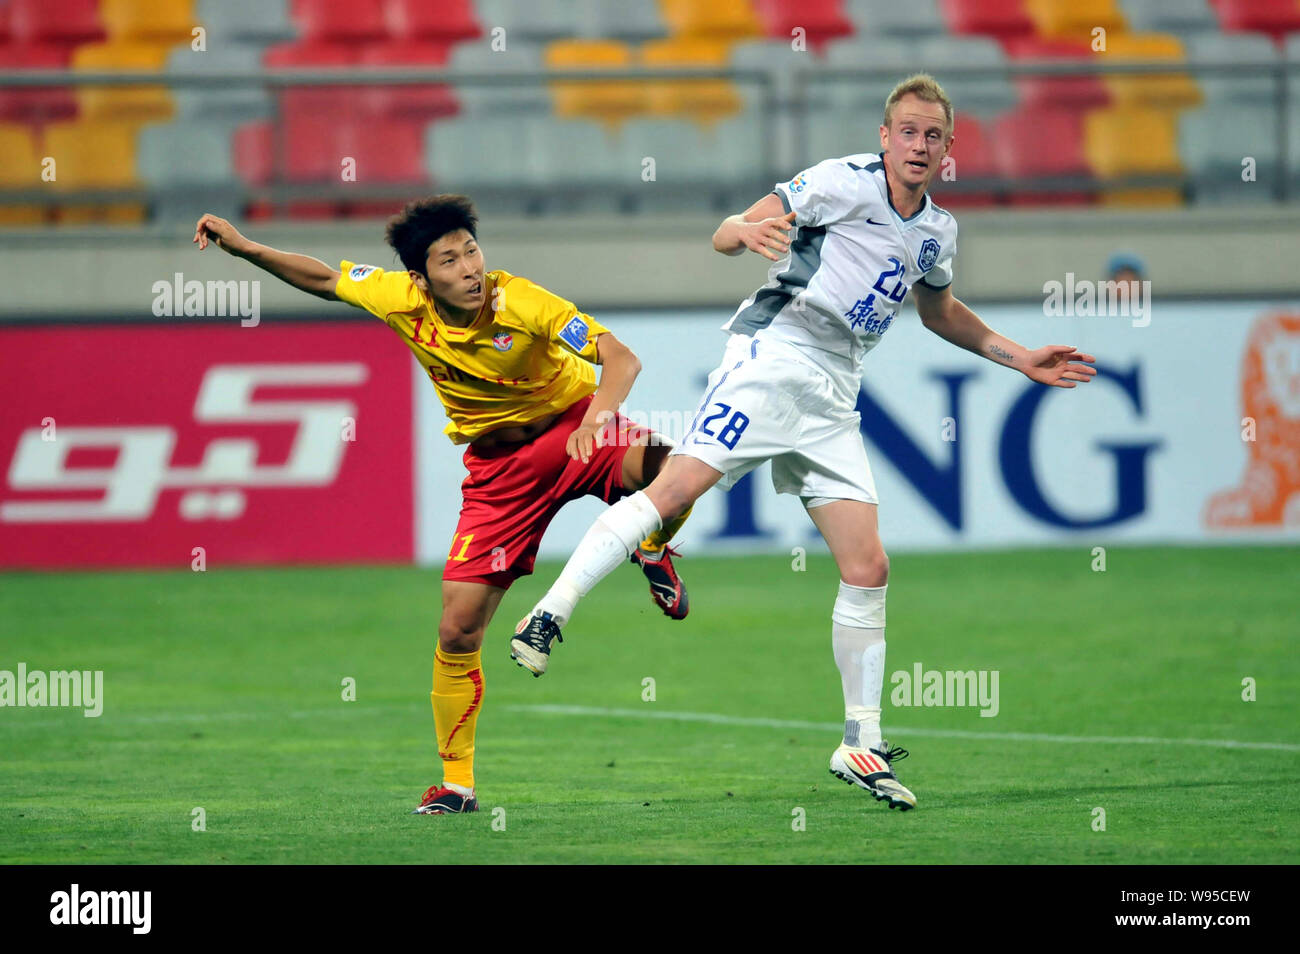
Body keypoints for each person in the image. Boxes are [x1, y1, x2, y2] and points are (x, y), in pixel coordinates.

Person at [510, 75, 1097, 811]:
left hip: (834, 395)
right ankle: (550, 614)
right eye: (907, 131)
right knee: (673, 492)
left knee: (868, 563)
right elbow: (729, 231)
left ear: (949, 150)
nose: (919, 145)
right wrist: (743, 232)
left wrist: (1020, 357)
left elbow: (940, 311)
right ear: (885, 137)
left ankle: (860, 740)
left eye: (933, 136)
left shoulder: (938, 232)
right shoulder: (838, 183)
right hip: (774, 358)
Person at [193, 195, 691, 816]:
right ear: (420, 278)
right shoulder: (399, 299)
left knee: (679, 472)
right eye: (449, 259)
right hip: (499, 474)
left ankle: (651, 546)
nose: (469, 267)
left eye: (473, 250)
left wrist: (597, 418)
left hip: (573, 430)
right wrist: (245, 249)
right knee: (457, 629)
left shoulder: (522, 301)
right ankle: (457, 785)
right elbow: (323, 278)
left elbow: (621, 358)